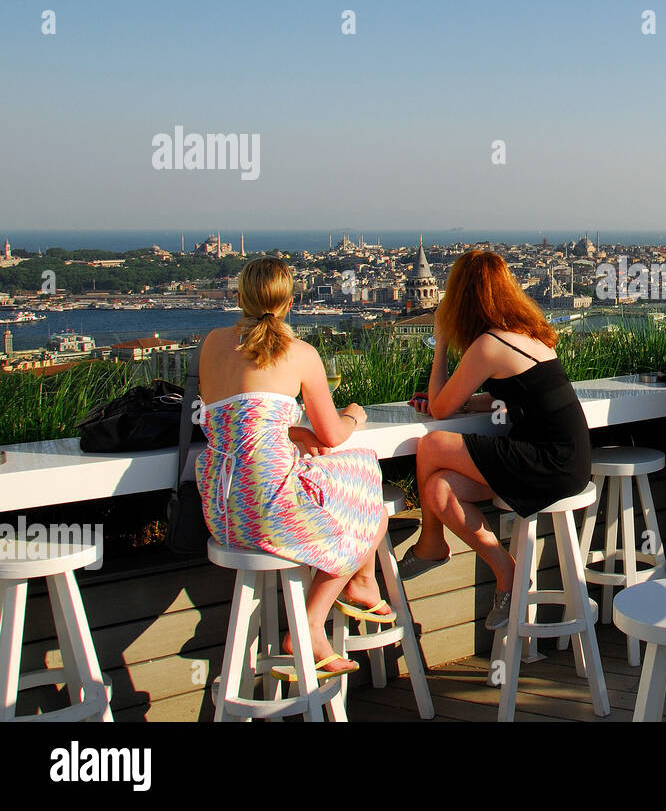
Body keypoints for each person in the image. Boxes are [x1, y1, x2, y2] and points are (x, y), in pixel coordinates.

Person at [196, 257, 388, 679]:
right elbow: (334, 435)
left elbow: (239, 419)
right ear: (292, 301)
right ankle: (312, 622)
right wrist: (355, 414)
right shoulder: (299, 353)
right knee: (366, 482)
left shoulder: (211, 343)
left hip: (222, 512)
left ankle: (358, 584)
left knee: (351, 494)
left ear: (239, 297)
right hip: (268, 512)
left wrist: (292, 433)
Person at [402, 250, 592, 631]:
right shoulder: (528, 335)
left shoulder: (489, 344)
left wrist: (439, 343)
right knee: (439, 489)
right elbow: (523, 395)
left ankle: (432, 542)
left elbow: (439, 411)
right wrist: (472, 401)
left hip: (548, 461)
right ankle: (506, 570)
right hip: (566, 460)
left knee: (431, 446)